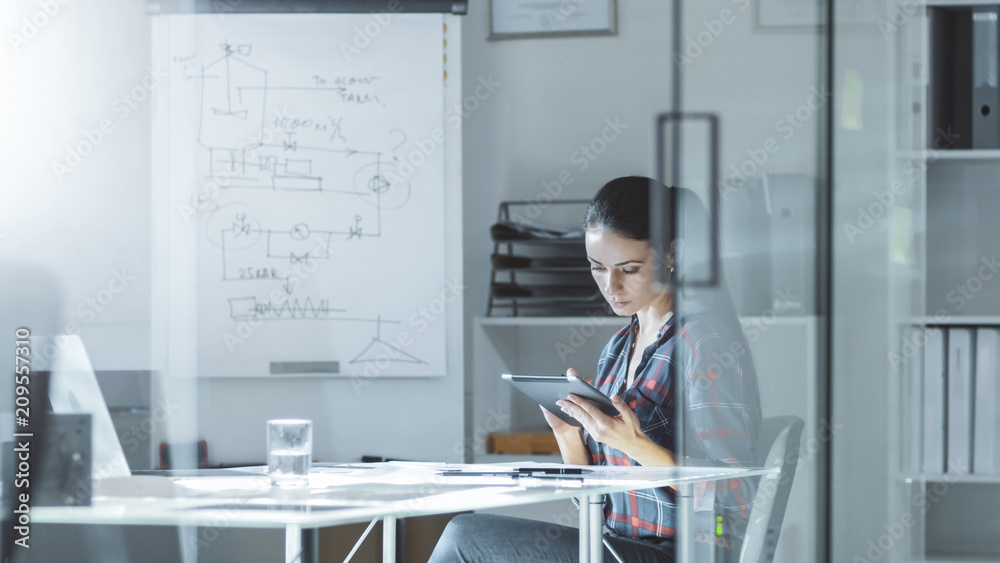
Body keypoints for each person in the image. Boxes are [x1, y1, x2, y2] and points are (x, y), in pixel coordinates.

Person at [428, 176, 762, 563]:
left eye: (629, 269)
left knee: (465, 535)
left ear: (673, 255)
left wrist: (635, 445)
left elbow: (738, 493)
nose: (611, 285)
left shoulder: (703, 344)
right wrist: (569, 436)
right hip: (616, 545)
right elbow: (597, 503)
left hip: (684, 553)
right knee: (466, 534)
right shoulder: (619, 347)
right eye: (597, 268)